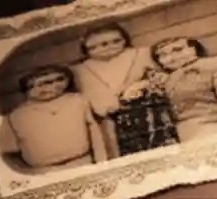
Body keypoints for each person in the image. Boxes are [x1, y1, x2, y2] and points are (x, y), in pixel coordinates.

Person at [71, 23, 179, 158]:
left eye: (116, 41)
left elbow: (163, 78)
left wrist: (144, 85)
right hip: (108, 124)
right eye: (103, 44)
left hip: (149, 116)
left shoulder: (142, 54)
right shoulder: (79, 71)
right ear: (87, 48)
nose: (110, 46)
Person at [0, 65, 106, 171]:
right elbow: (9, 153)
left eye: (58, 80)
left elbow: (95, 133)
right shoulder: (16, 116)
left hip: (83, 163)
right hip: (42, 171)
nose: (48, 87)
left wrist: (101, 163)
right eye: (36, 84)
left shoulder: (78, 101)